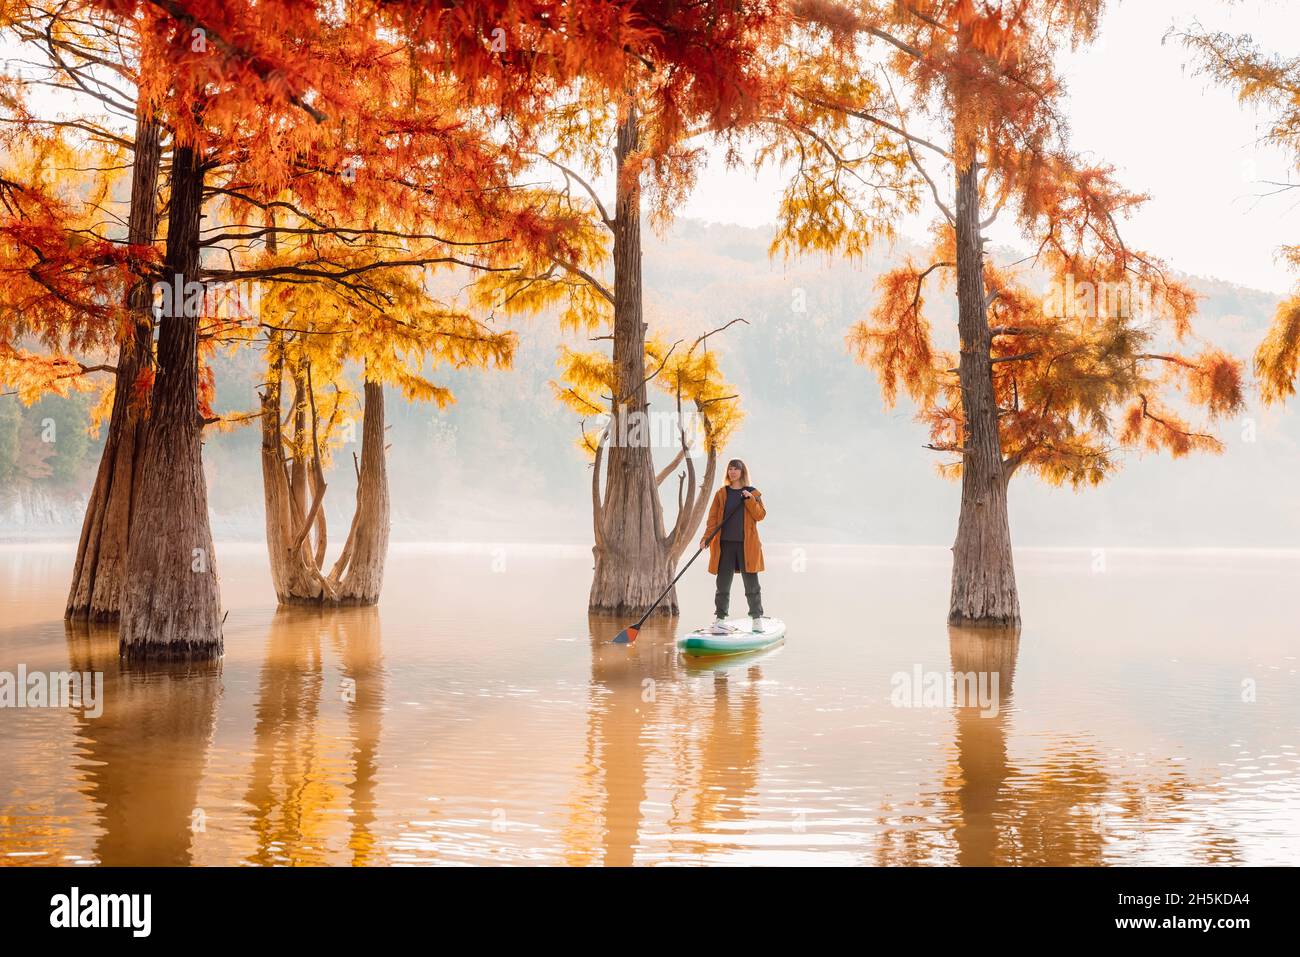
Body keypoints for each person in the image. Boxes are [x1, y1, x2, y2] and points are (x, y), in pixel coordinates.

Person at [700, 458, 768, 634]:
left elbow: (760, 515)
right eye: (730, 469)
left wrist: (750, 499)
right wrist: (706, 538)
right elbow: (713, 519)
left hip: (747, 546)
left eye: (736, 469)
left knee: (751, 584)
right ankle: (720, 619)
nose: (733, 472)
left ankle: (757, 619)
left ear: (742, 472)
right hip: (724, 545)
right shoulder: (722, 493)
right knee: (722, 584)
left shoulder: (753, 492)